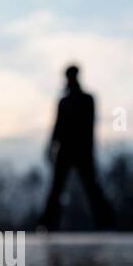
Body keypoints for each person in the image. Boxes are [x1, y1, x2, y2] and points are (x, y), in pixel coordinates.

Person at [38, 65, 114, 230]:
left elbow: (83, 127)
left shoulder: (77, 100)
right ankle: (49, 223)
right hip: (74, 150)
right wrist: (51, 147)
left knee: (82, 187)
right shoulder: (76, 100)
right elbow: (58, 126)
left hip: (76, 150)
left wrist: (52, 147)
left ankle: (105, 221)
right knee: (65, 188)